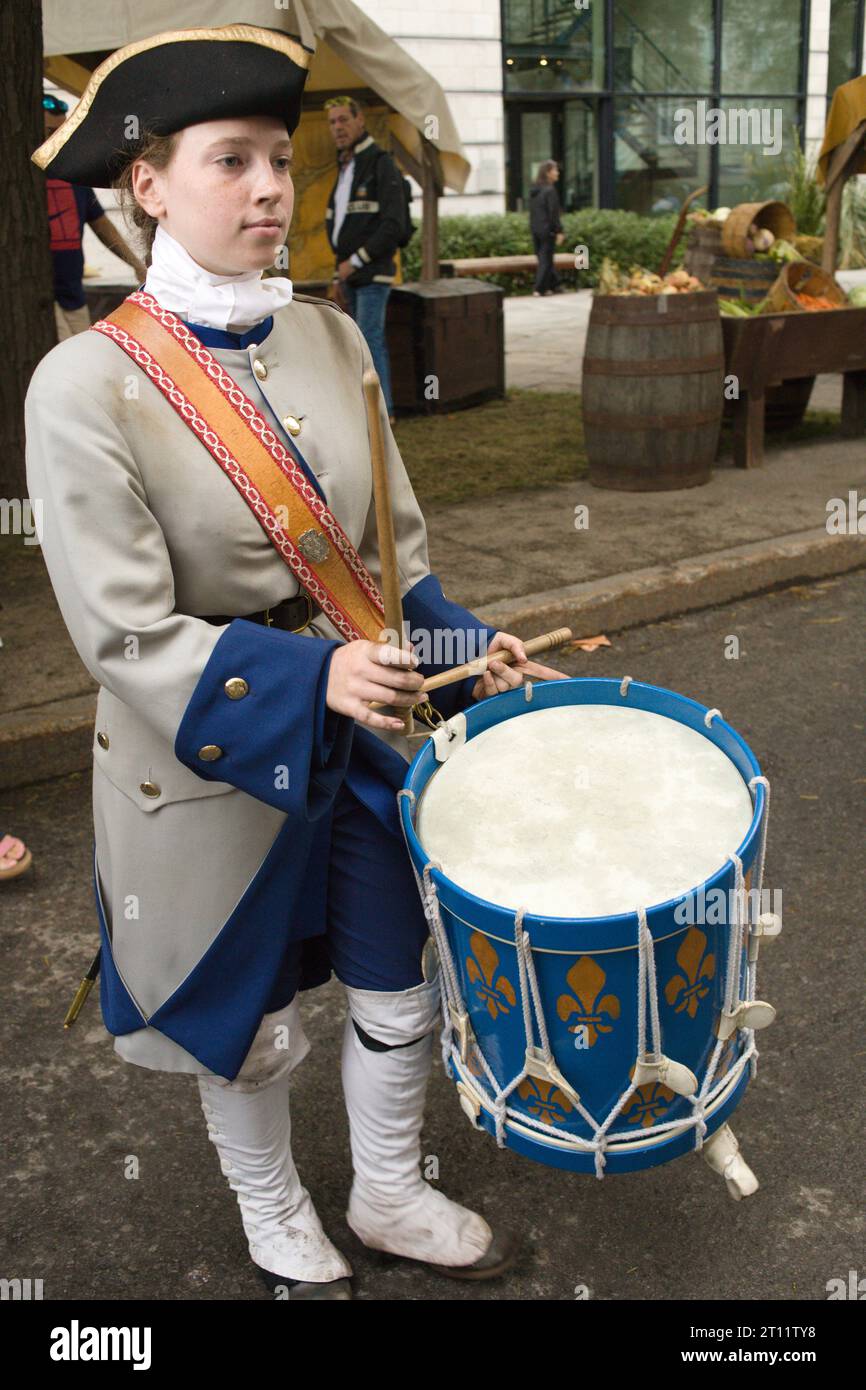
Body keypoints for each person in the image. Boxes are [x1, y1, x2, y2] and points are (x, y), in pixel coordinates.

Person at [26, 24, 565, 1301]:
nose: (273, 187)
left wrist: (459, 641)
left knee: (399, 975)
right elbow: (121, 632)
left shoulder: (329, 340)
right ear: (147, 185)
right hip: (206, 753)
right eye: (232, 161)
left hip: (361, 731)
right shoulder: (83, 386)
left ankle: (385, 1191)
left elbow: (389, 558)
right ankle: (273, 1214)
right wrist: (301, 681)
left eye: (281, 159)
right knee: (247, 1020)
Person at [325, 96, 405, 420]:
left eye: (344, 119)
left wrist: (354, 262)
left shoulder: (380, 162)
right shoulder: (345, 165)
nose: (338, 128)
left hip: (372, 273)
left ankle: (383, 415)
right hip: (351, 274)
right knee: (360, 343)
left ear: (361, 121)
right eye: (332, 122)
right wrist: (338, 274)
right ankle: (368, 412)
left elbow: (394, 225)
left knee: (370, 340)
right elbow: (345, 227)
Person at [42, 94, 147, 340]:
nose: (56, 138)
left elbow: (101, 224)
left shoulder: (71, 174)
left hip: (73, 294)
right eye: (49, 131)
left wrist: (136, 264)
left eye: (61, 131)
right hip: (41, 298)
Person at [529, 160, 565, 297]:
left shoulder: (535, 190)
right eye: (555, 170)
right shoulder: (550, 191)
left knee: (543, 259)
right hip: (547, 230)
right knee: (546, 260)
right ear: (547, 173)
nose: (557, 173)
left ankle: (554, 285)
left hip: (535, 229)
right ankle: (539, 288)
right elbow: (553, 214)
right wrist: (559, 231)